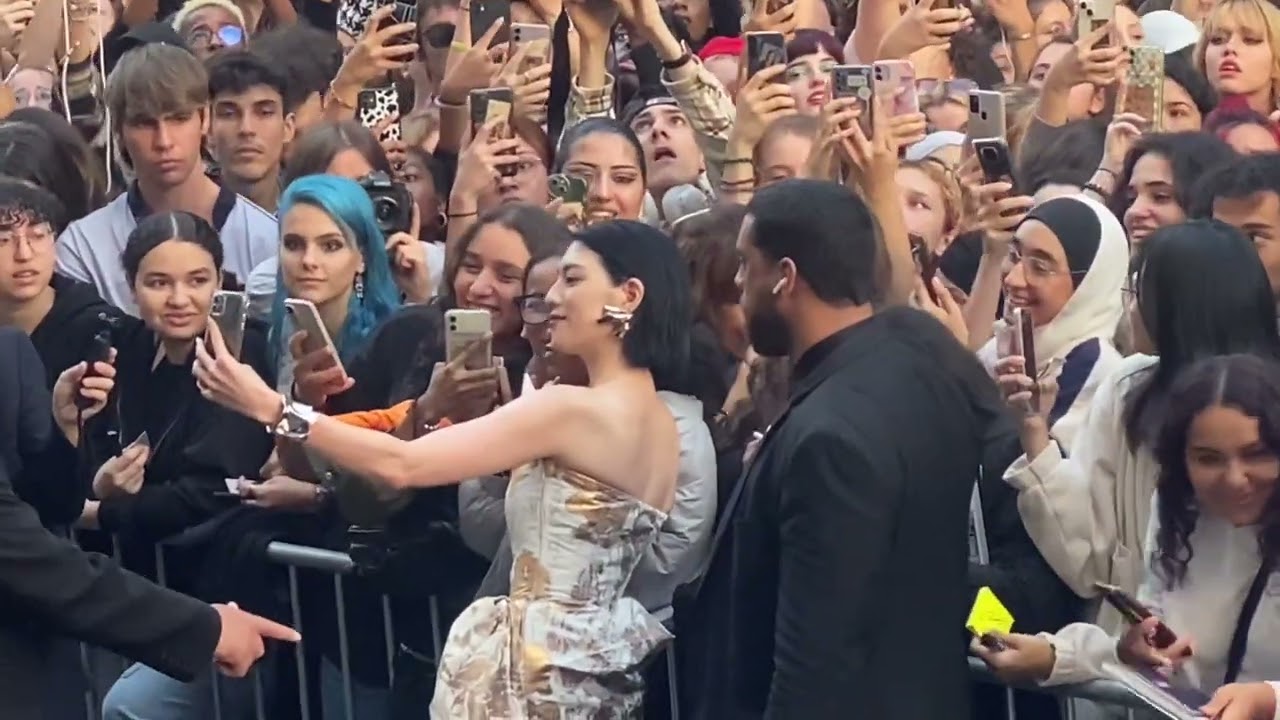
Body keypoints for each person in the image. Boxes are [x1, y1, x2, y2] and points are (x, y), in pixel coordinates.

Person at [191, 220, 693, 715]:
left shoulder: (569, 410)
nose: (551, 298)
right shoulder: (665, 424)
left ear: (628, 295)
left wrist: (276, 409)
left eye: (573, 279)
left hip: (534, 675)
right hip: (597, 671)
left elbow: (402, 464)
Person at [682, 179, 991, 719]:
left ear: (785, 277)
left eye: (745, 265)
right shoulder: (920, 364)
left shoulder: (828, 438)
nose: (738, 282)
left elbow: (814, 660)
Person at [0, 327, 299, 720]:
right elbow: (20, 548)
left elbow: (46, 507)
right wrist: (204, 629)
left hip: (39, 669)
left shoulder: (10, 350)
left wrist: (64, 428)